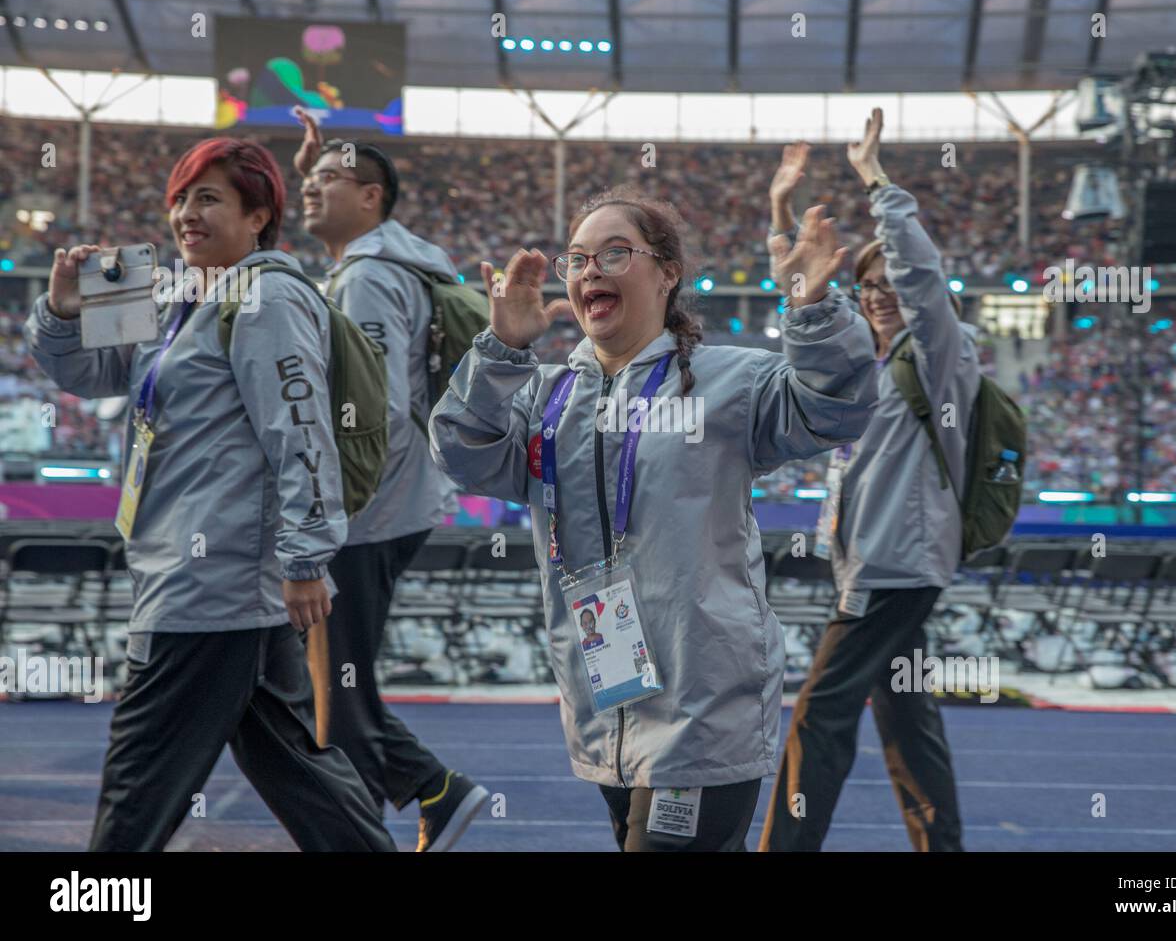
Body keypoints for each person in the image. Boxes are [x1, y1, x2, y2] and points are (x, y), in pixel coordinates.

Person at [431, 186, 875, 851]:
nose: (589, 272)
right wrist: (500, 347)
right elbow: (460, 454)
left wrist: (810, 306)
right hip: (603, 694)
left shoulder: (731, 384)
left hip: (703, 701)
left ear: (668, 273)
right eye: (576, 259)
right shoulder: (544, 397)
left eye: (614, 253)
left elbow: (839, 405)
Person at [24, 138, 395, 851]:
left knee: (138, 783)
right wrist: (64, 313)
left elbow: (302, 430)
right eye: (181, 197)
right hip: (203, 574)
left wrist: (305, 558)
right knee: (294, 768)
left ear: (259, 217)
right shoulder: (173, 295)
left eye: (209, 198)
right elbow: (92, 376)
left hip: (210, 581)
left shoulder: (266, 298)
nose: (185, 214)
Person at [760, 108, 977, 853]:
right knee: (908, 718)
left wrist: (877, 180)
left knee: (819, 714)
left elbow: (922, 277)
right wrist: (782, 211)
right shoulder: (863, 361)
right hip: (870, 563)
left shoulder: (943, 357)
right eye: (868, 283)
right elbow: (805, 300)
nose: (880, 293)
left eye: (890, 284)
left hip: (893, 569)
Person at [292, 110, 488, 851]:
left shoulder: (369, 279)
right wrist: (306, 168)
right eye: (307, 182)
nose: (311, 190)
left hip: (365, 512)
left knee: (334, 692)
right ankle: (420, 796)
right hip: (388, 505)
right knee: (335, 682)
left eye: (328, 181)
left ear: (371, 198)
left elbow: (362, 412)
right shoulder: (375, 267)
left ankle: (402, 807)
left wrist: (325, 516)